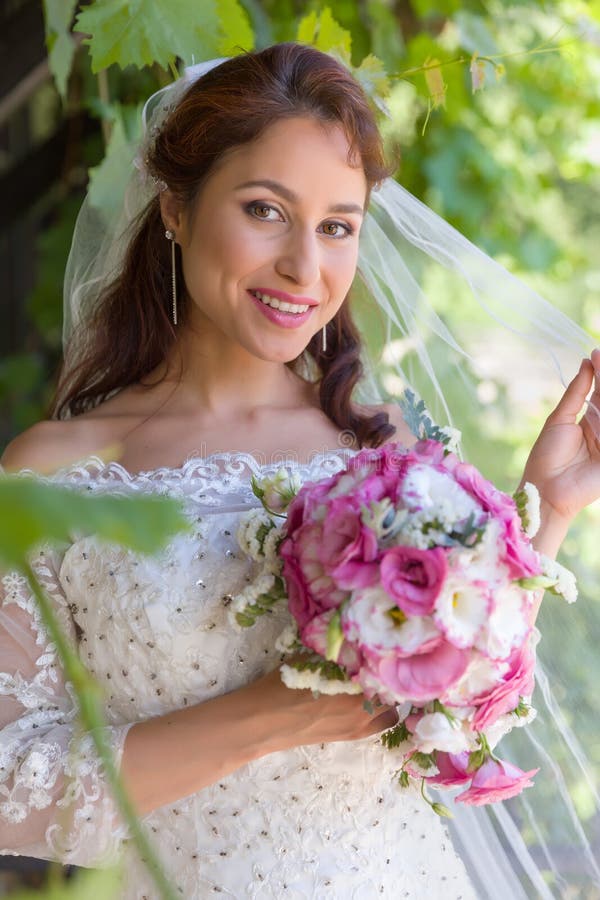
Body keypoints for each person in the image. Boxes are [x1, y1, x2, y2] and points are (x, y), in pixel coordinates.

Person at [1, 42, 599, 899]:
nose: (304, 270)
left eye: (337, 226)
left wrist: (550, 510)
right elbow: (11, 788)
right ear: (174, 208)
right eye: (264, 210)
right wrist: (266, 716)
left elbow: (463, 709)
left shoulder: (382, 449)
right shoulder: (54, 473)